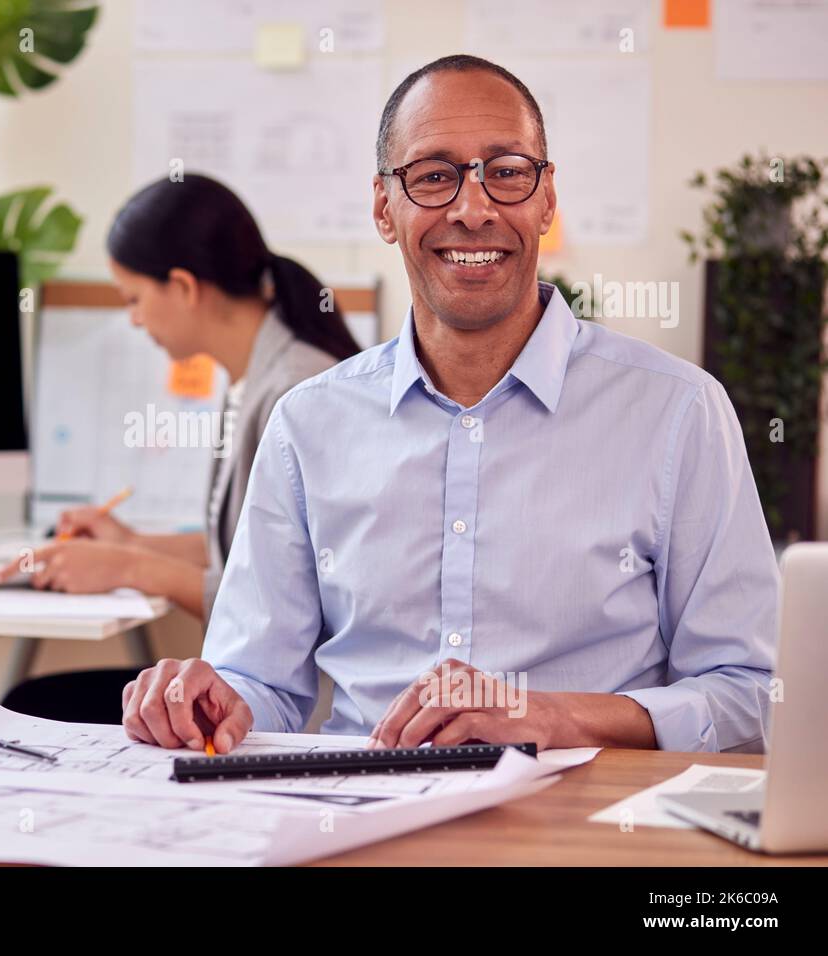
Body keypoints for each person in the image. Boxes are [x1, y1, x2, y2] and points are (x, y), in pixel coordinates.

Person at [121, 55, 779, 756]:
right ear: (384, 207)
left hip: (581, 829)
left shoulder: (678, 412)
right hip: (360, 825)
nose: (473, 209)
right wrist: (213, 701)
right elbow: (259, 681)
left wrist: (560, 717)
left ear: (546, 198)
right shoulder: (307, 425)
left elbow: (750, 693)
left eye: (507, 171)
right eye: (434, 176)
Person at [0, 174, 360, 620]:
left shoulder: (294, 390)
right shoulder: (253, 376)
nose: (132, 320)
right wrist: (130, 544)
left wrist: (129, 566)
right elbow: (246, 549)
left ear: (184, 288)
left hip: (296, 688)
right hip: (254, 678)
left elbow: (283, 604)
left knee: (36, 695)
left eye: (133, 299)